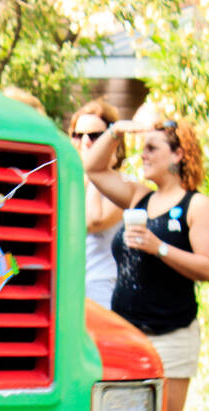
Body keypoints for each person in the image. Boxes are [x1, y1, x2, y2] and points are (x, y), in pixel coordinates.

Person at [82, 117, 209, 411]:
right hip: (127, 337)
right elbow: (92, 167)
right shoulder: (136, 197)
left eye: (152, 149)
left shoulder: (197, 206)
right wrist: (118, 129)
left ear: (178, 155)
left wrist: (157, 247)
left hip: (172, 334)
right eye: (141, 147)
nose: (142, 155)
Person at [68, 99, 126, 307]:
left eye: (94, 136)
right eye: (78, 135)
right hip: (67, 288)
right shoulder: (65, 182)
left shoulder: (124, 184)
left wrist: (95, 173)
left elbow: (93, 221)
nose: (85, 141)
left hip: (103, 289)